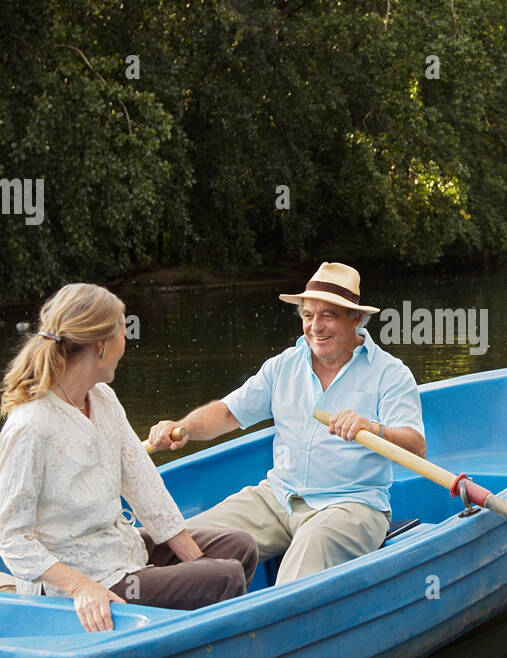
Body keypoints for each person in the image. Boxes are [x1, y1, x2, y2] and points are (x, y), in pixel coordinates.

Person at [147, 262, 426, 585]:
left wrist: (373, 428)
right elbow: (226, 413)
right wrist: (182, 428)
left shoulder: (390, 373)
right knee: (185, 542)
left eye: (328, 316)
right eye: (308, 315)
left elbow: (416, 447)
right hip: (277, 497)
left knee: (309, 547)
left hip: (351, 505)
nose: (315, 327)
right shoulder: (283, 366)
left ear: (356, 319)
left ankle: (275, 628)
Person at [0, 284, 257, 632]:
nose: (128, 341)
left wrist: (196, 562)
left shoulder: (103, 398)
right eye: (124, 331)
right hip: (75, 584)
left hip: (119, 550)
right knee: (224, 575)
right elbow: (12, 539)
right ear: (101, 345)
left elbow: (144, 486)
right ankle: (195, 653)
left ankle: (174, 634)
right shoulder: (31, 425)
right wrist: (81, 587)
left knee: (238, 550)